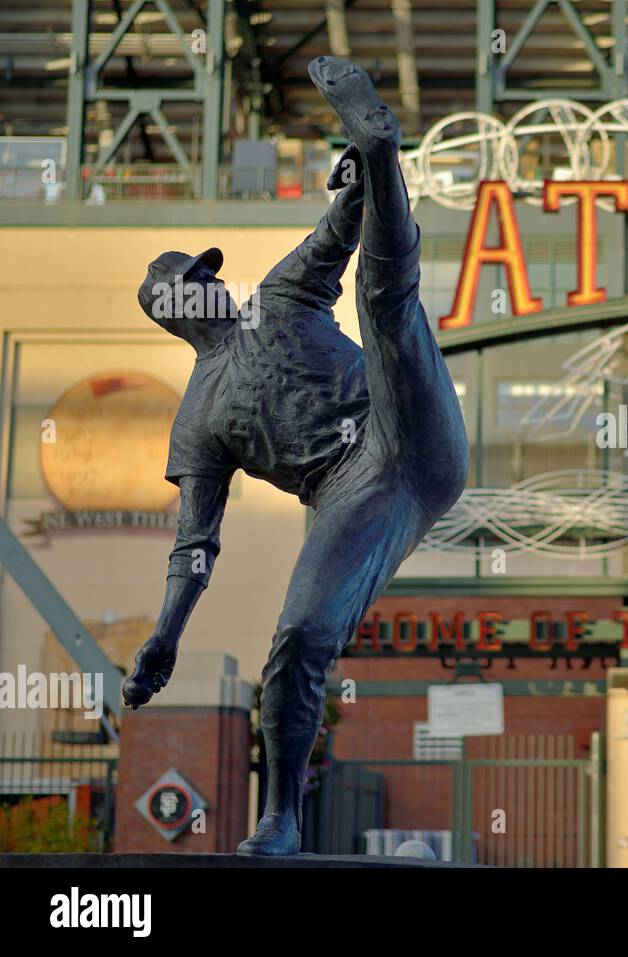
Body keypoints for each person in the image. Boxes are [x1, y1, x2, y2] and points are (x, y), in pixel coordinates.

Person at [123, 57, 468, 856]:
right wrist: (168, 633)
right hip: (349, 493)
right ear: (175, 310)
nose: (208, 285)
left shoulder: (278, 294)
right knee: (299, 638)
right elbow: (195, 544)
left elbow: (339, 233)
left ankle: (380, 149)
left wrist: (356, 182)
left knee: (387, 305)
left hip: (402, 427)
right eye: (192, 283)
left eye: (206, 275)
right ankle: (281, 815)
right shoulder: (197, 421)